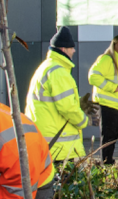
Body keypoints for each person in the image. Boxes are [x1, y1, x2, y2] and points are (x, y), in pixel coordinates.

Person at [26, 26, 87, 162]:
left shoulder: (47, 67)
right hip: (58, 144)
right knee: (64, 182)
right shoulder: (58, 72)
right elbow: (67, 107)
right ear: (63, 49)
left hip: (47, 140)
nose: (74, 50)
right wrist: (83, 120)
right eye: (72, 48)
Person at [88, 35, 118, 164]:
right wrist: (112, 88)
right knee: (108, 135)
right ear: (113, 45)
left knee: (113, 135)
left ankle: (108, 159)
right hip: (106, 103)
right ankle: (106, 161)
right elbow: (93, 77)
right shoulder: (106, 59)